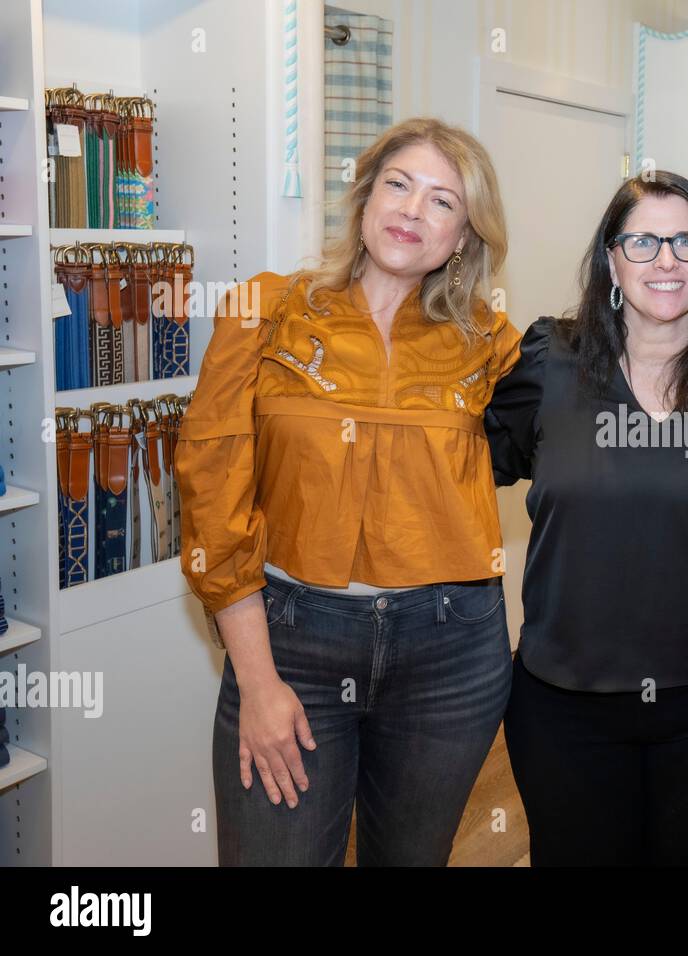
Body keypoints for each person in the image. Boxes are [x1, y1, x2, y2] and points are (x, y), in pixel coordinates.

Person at [177, 117, 521, 865]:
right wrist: (258, 680)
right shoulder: (265, 311)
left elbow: (575, 421)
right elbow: (210, 494)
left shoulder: (489, 343)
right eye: (398, 185)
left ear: (464, 235)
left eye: (442, 201)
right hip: (291, 642)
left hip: (452, 645)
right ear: (364, 199)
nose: (411, 210)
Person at [485, 171, 688, 865]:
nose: (665, 260)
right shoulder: (549, 361)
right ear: (611, 258)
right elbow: (466, 471)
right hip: (565, 708)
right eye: (642, 241)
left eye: (686, 241)